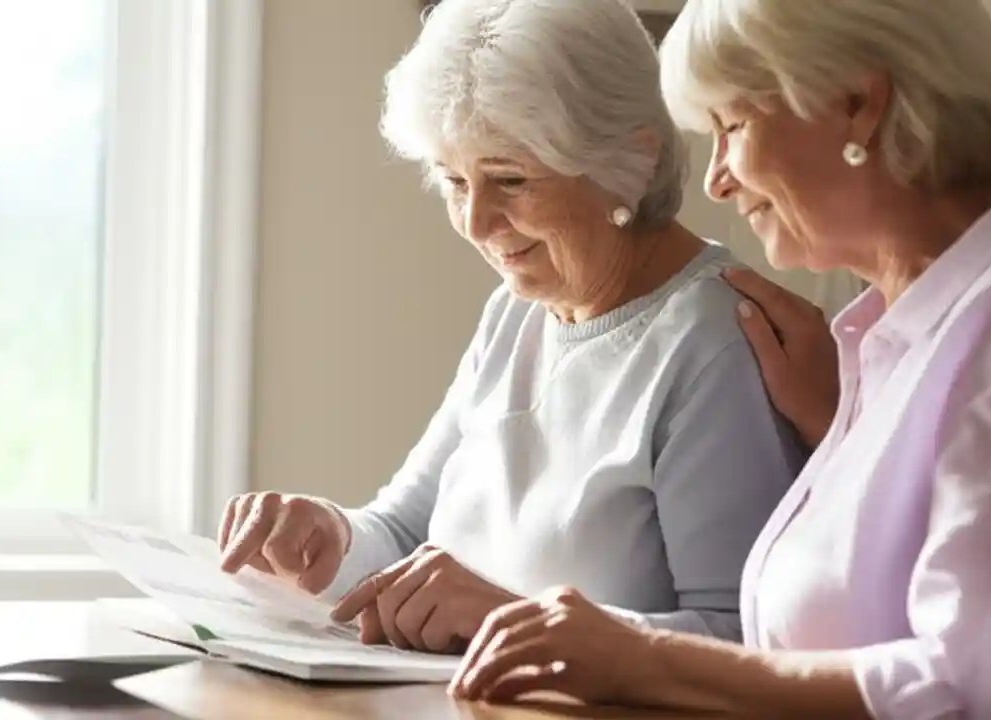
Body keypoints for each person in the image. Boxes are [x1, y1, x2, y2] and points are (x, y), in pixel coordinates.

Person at [450, 1, 991, 716]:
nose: (717, 181)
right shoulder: (888, 341)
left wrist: (637, 657)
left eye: (732, 127)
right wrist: (839, 426)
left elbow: (975, 687)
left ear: (858, 106)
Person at [215, 0, 805, 653]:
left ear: (629, 165)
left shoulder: (716, 338)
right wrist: (325, 537)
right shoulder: (516, 313)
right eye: (453, 180)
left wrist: (506, 618)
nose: (474, 221)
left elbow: (744, 641)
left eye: (509, 180)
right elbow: (406, 530)